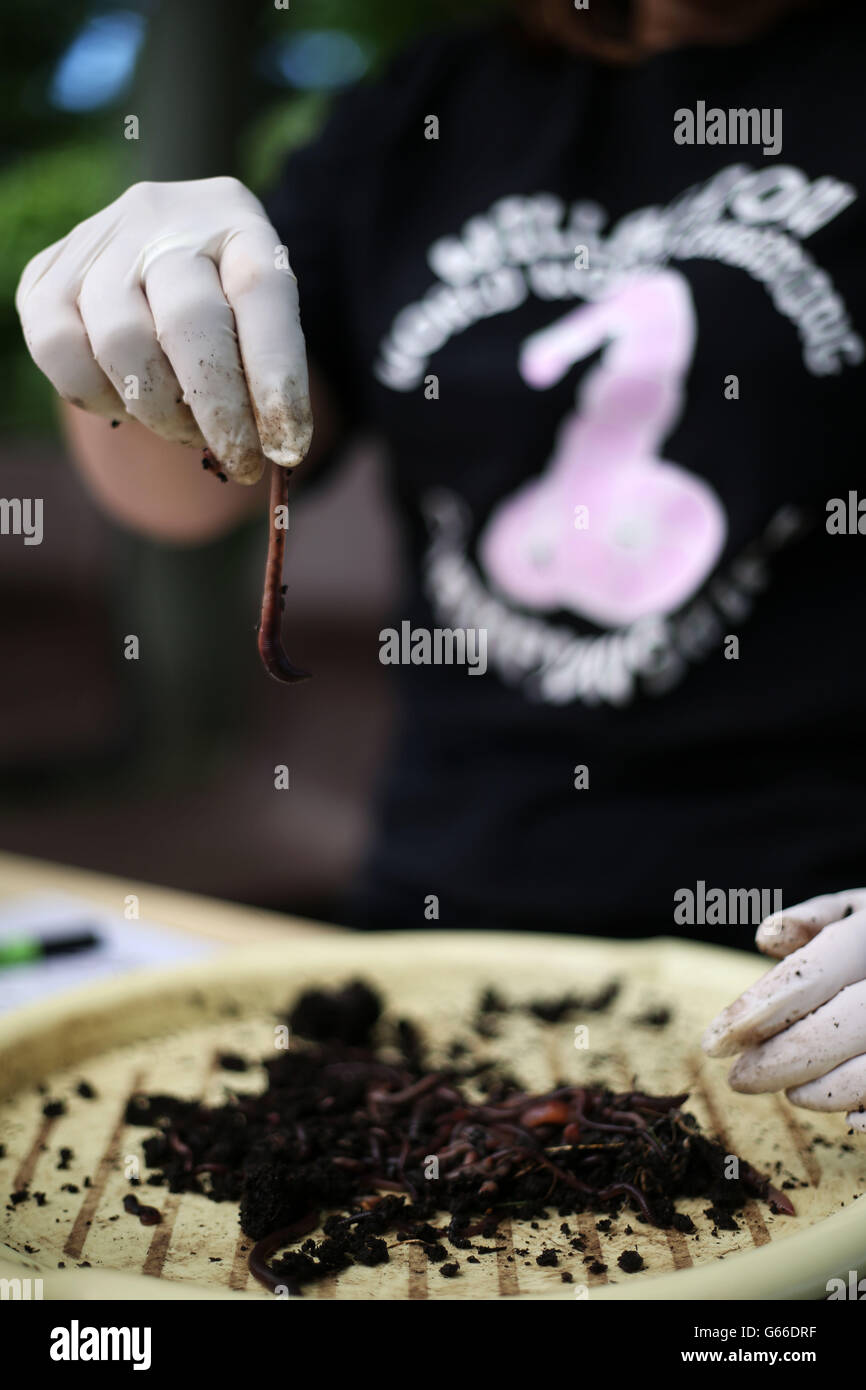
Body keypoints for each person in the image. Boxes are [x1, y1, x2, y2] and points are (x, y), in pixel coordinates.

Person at [15, 0, 866, 1129]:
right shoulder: (422, 106)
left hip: (810, 957)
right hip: (444, 930)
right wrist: (127, 328)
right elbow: (185, 496)